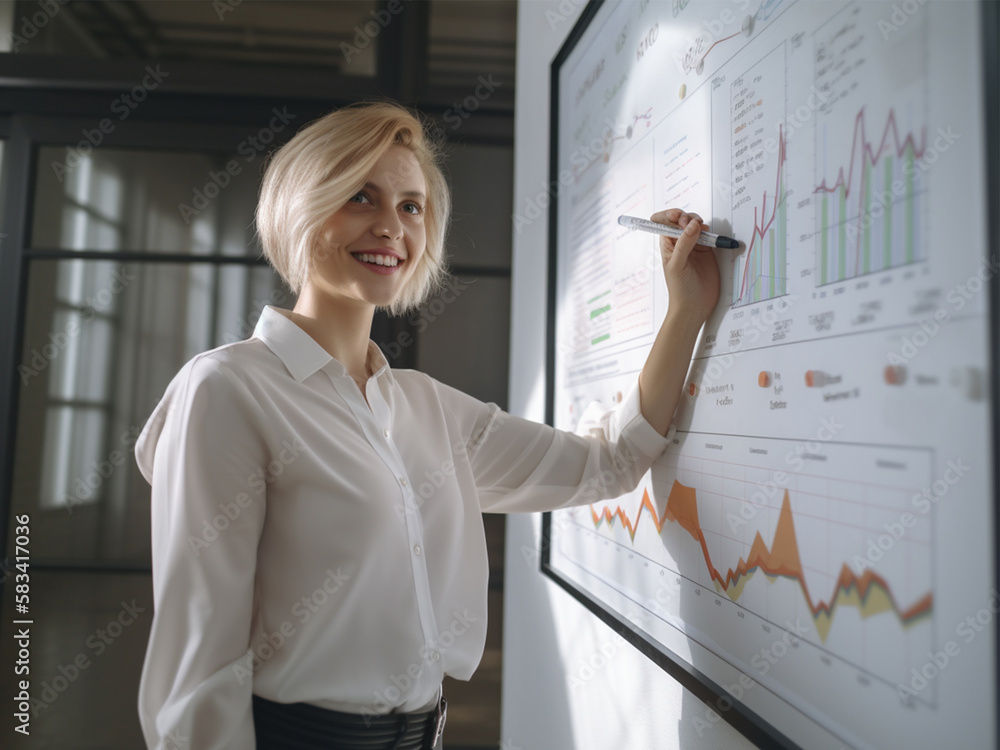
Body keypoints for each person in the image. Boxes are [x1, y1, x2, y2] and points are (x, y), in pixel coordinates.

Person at [134, 99, 720, 750]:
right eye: (362, 197)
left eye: (411, 206)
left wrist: (685, 313)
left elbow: (603, 465)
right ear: (302, 210)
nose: (392, 227)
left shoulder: (424, 407)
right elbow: (198, 661)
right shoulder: (227, 389)